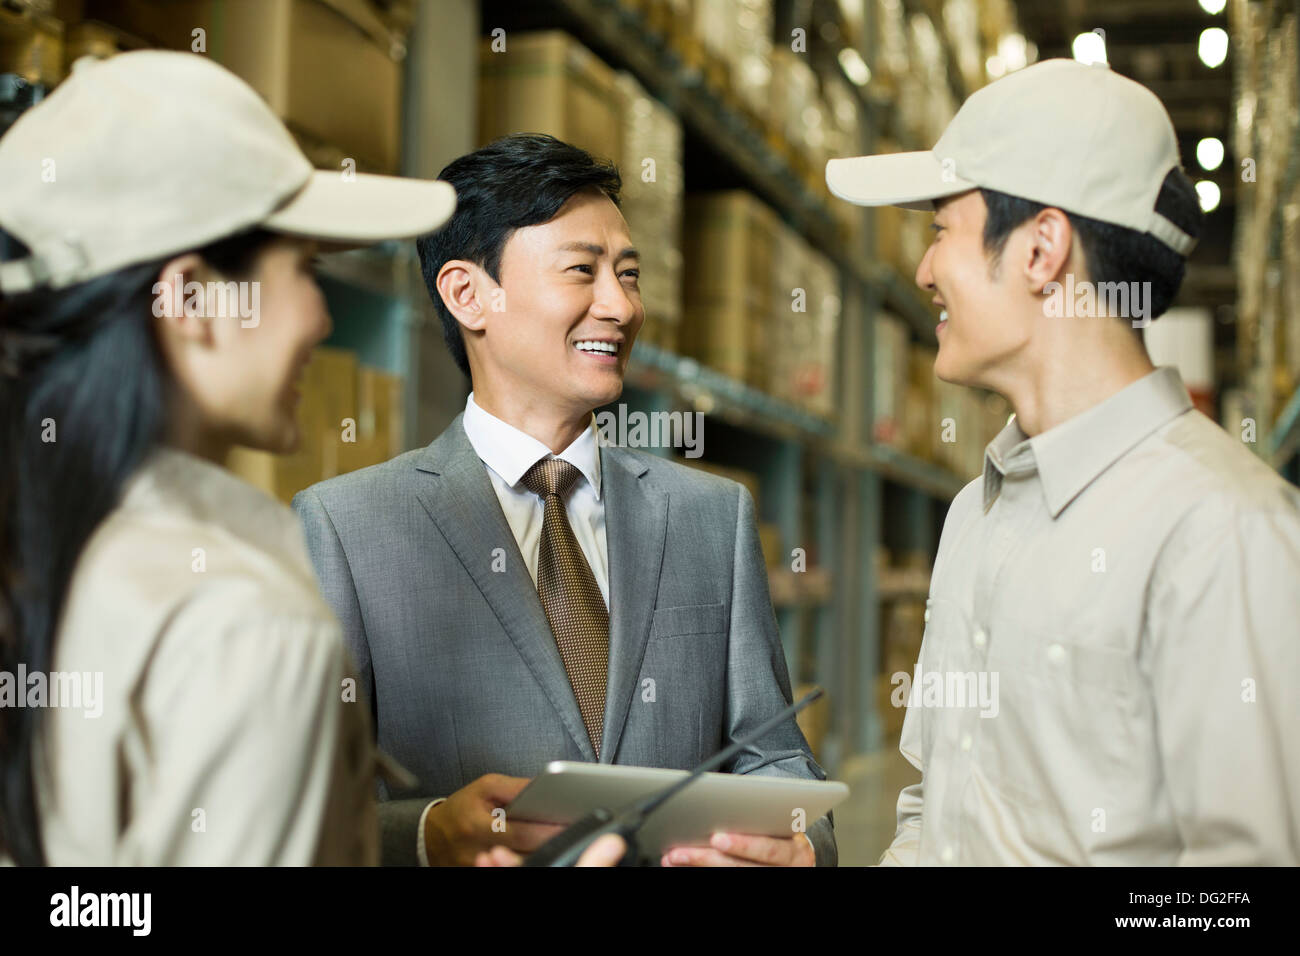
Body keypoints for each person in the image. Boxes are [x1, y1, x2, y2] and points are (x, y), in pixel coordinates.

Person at [294, 133, 836, 867]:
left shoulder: (711, 516)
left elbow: (777, 760)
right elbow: (306, 810)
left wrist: (803, 844)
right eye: (581, 270)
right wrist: (424, 836)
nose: (620, 306)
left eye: (630, 274)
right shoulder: (349, 528)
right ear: (467, 294)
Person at [827, 58, 1300, 865]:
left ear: (1042, 249)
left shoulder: (1224, 528)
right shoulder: (973, 517)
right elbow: (930, 809)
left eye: (942, 229)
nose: (923, 270)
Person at [0, 50, 457, 865]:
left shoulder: (46, 556)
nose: (320, 318)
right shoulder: (249, 628)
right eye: (305, 268)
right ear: (188, 298)